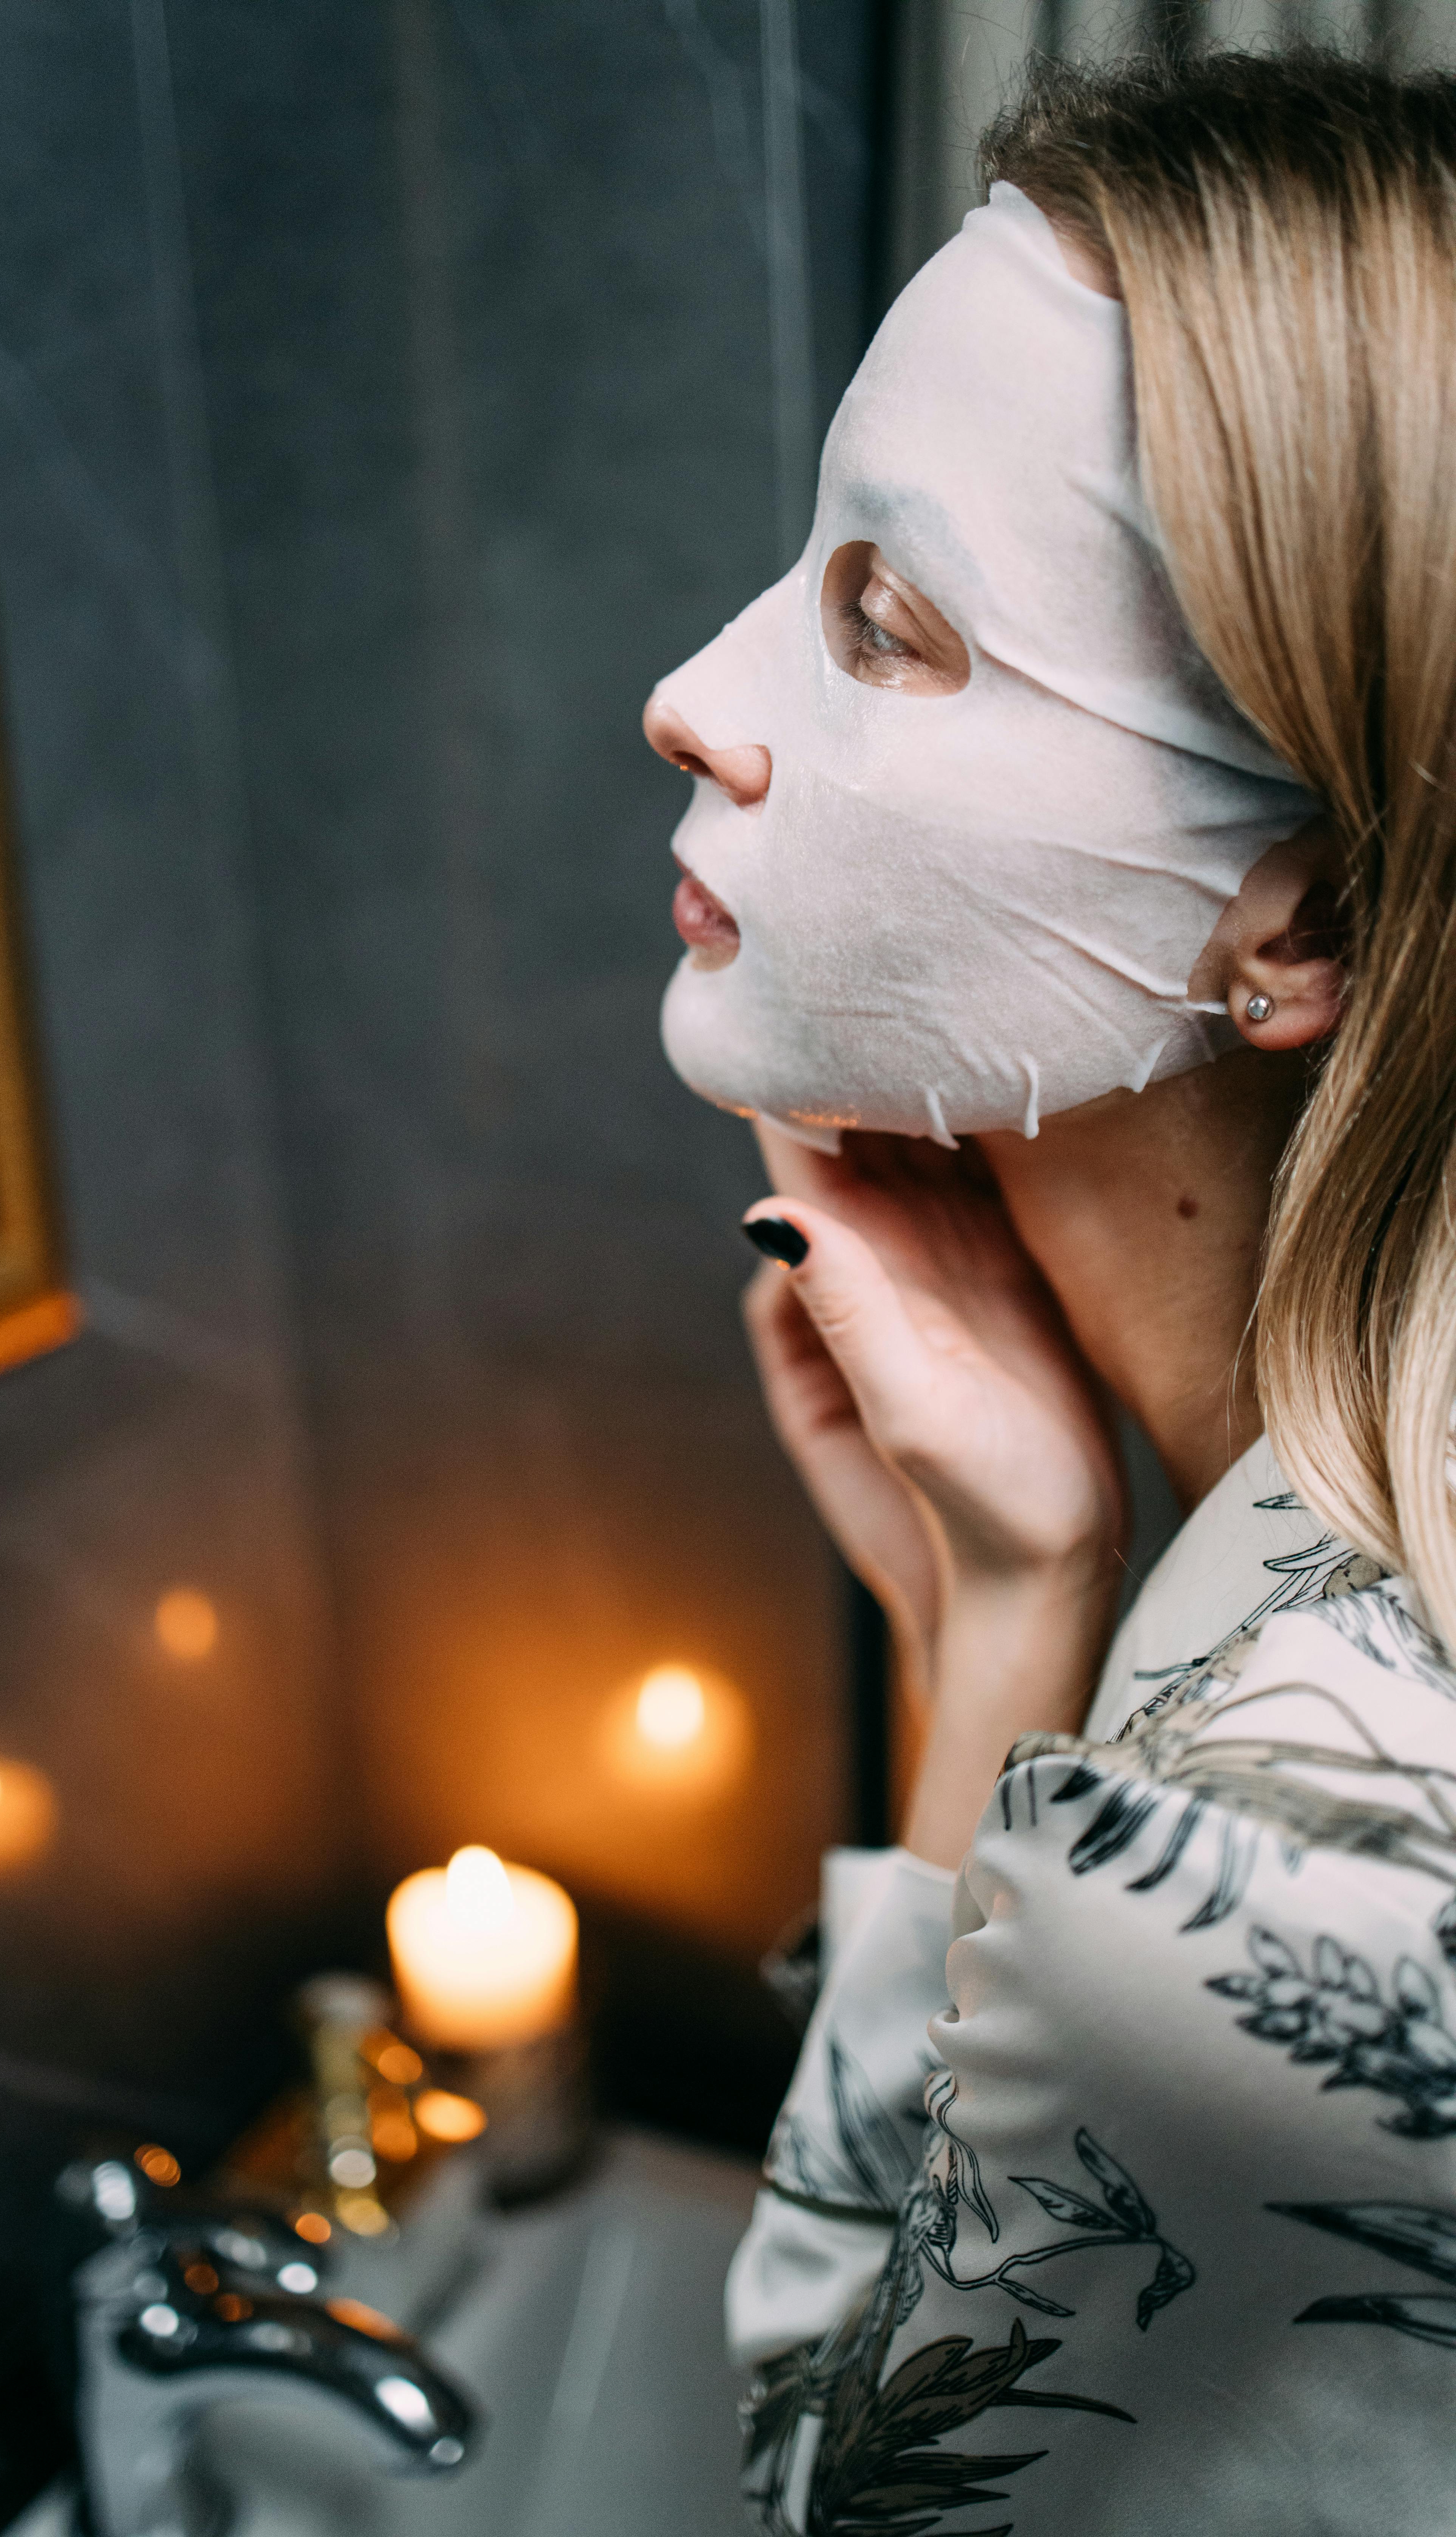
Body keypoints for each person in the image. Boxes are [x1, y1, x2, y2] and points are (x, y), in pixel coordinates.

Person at [642, 47, 1456, 2537]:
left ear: (1295, 922)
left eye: (889, 623)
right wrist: (1016, 1556)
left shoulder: (1292, 1860)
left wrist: (1004, 1637)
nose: (694, 693)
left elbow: (826, 2491)